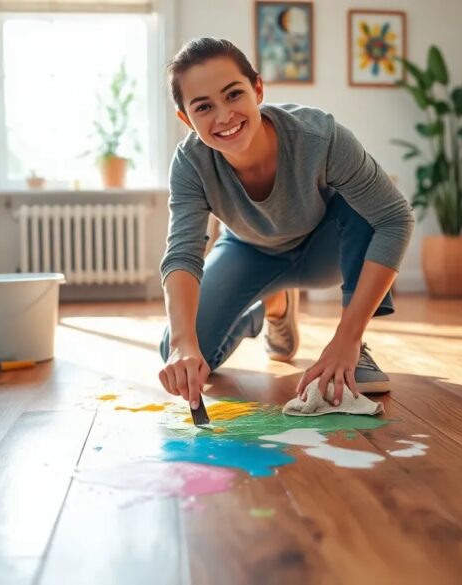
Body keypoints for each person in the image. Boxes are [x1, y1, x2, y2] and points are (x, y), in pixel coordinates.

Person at [157, 37, 415, 411]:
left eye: (233, 95)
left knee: (367, 206)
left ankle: (355, 349)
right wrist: (183, 342)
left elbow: (394, 218)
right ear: (186, 119)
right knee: (177, 354)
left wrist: (347, 336)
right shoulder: (190, 164)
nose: (225, 116)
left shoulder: (321, 137)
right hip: (249, 251)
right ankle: (272, 307)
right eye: (204, 107)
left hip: (324, 248)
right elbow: (182, 252)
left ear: (257, 88)